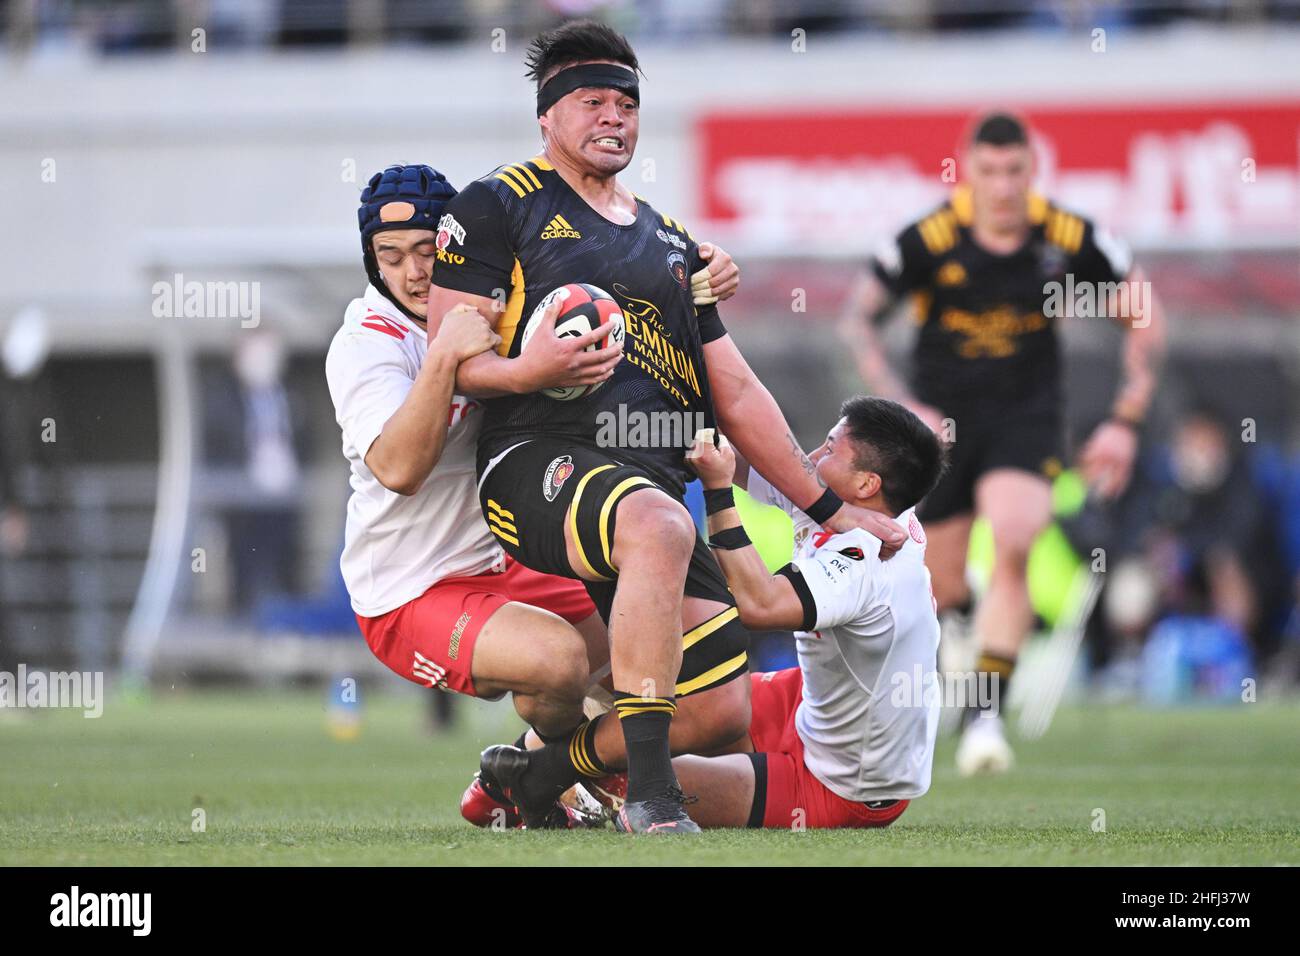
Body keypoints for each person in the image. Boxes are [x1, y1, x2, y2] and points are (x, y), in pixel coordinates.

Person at [429, 20, 906, 832]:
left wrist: (833, 512)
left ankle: (536, 778)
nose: (612, 117)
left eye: (626, 103)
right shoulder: (495, 205)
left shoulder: (672, 243)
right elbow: (449, 360)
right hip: (533, 460)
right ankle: (651, 799)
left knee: (717, 713)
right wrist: (533, 371)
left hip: (649, 491)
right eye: (591, 102)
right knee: (656, 524)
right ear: (547, 116)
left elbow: (739, 392)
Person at [841, 111, 1165, 775]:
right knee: (940, 584)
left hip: (1028, 416)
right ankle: (964, 632)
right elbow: (859, 321)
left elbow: (1144, 313)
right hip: (942, 429)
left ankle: (986, 711)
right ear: (967, 170)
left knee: (1017, 535)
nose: (1001, 185)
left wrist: (1126, 418)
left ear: (1032, 170)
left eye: (1014, 169)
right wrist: (901, 402)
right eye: (988, 170)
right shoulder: (929, 239)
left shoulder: (1067, 236)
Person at [599, 397, 946, 830]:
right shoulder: (860, 508)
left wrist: (717, 490)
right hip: (809, 704)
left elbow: (759, 605)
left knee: (633, 779)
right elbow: (752, 463)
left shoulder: (869, 557)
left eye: (830, 449)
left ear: (867, 484)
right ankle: (516, 772)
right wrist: (678, 419)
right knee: (686, 705)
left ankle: (538, 781)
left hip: (844, 784)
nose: (812, 458)